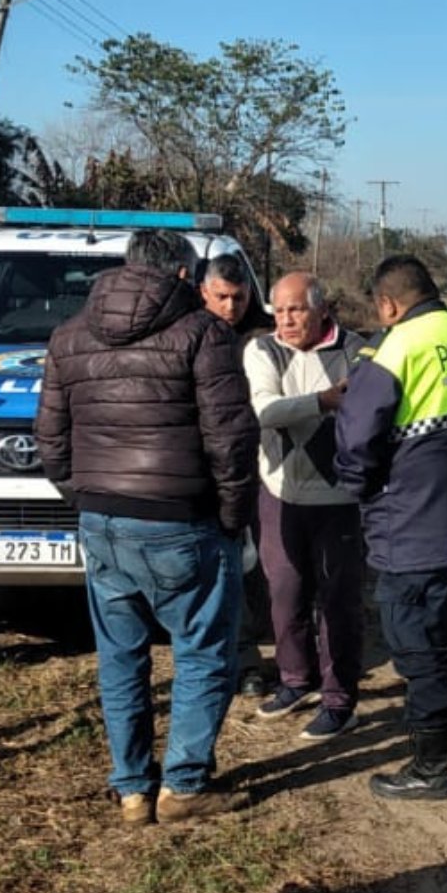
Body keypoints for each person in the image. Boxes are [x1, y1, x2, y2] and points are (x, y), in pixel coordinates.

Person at [35, 229, 259, 825]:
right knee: (203, 653)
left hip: (102, 517)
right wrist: (234, 517)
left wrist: (83, 496)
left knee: (120, 657)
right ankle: (183, 785)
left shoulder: (69, 335)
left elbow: (51, 441)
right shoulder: (204, 333)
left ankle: (133, 787)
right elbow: (231, 440)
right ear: (186, 276)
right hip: (181, 519)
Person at [335, 255, 447, 799]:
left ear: (387, 304)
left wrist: (357, 490)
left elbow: (356, 440)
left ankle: (431, 769)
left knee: (421, 647)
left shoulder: (392, 350)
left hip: (415, 529)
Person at [245, 271, 366, 740]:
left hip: (339, 497)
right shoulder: (261, 350)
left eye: (295, 309)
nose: (285, 320)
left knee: (339, 600)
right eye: (278, 310)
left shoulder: (356, 350)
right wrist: (322, 400)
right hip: (278, 491)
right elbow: (265, 411)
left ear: (321, 308)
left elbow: (362, 412)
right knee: (285, 592)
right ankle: (296, 679)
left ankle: (340, 700)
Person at [200, 253, 274, 696]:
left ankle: (248, 660)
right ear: (203, 293)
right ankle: (218, 660)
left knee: (254, 569)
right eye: (222, 298)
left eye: (239, 297)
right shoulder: (187, 334)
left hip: (259, 467)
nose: (231, 307)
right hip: (204, 470)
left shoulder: (268, 332)